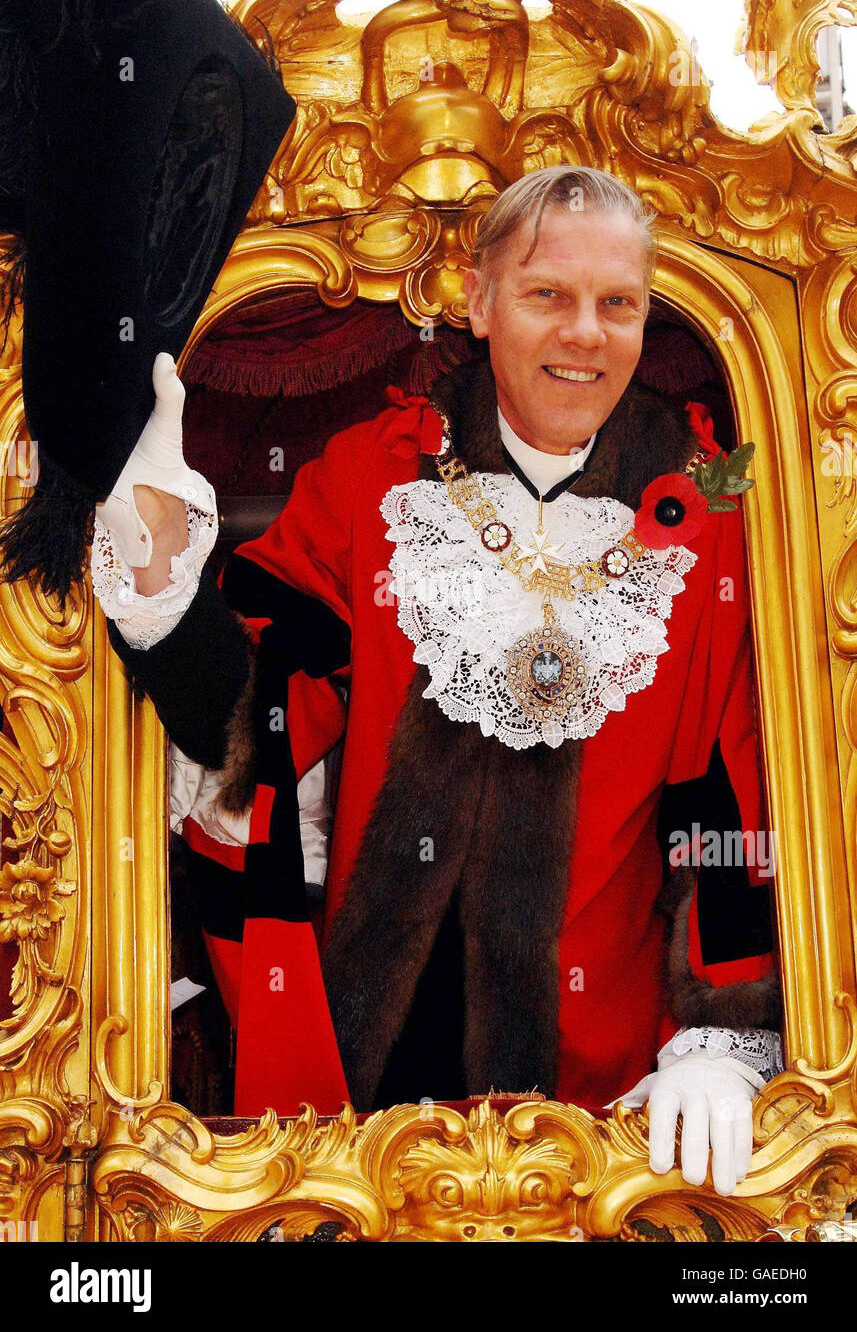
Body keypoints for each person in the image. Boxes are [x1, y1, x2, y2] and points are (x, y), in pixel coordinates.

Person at [92, 166, 783, 1198]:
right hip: (370, 1075)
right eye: (546, 294)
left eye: (618, 304)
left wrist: (719, 1039)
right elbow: (248, 720)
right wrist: (156, 570)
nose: (584, 334)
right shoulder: (368, 477)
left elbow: (723, 799)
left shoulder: (710, 518)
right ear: (476, 301)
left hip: (608, 1090)